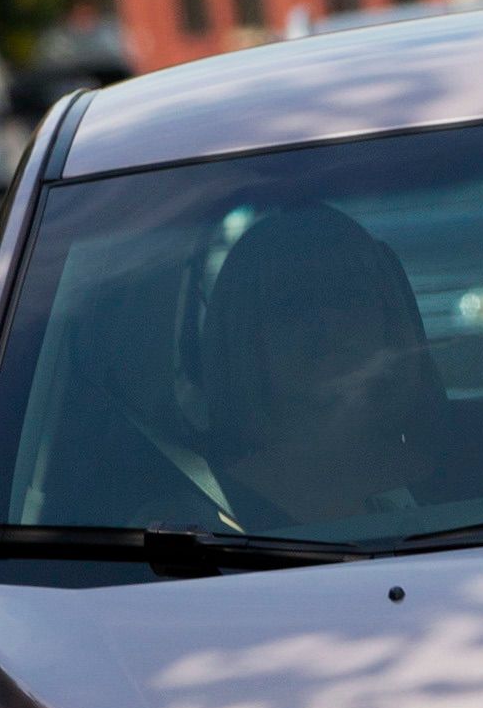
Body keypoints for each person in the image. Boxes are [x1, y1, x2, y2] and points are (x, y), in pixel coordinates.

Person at [94, 200, 445, 534]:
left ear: (390, 317)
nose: (326, 322)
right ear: (243, 337)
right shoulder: (186, 528)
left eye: (348, 296)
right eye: (292, 304)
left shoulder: (460, 477)